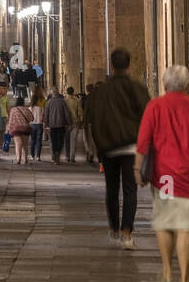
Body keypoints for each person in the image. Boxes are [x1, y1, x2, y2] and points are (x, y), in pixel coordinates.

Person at [135, 64, 189, 282]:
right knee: (185, 227)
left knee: (165, 223)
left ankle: (168, 273)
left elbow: (143, 141)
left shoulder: (156, 106)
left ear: (164, 84)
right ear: (187, 85)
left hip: (166, 177)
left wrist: (137, 168)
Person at [86, 47, 150, 249]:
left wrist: (98, 146)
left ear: (111, 65)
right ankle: (127, 232)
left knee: (112, 188)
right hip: (132, 147)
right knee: (130, 190)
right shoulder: (138, 89)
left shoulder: (100, 92)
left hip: (109, 147)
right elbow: (148, 118)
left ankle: (114, 228)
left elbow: (92, 119)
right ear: (129, 65)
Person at [44, 87, 70, 164]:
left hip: (52, 125)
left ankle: (55, 154)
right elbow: (67, 113)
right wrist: (69, 123)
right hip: (61, 124)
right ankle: (58, 152)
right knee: (60, 140)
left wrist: (46, 124)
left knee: (53, 140)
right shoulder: (62, 102)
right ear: (58, 93)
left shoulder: (48, 102)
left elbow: (46, 114)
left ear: (52, 94)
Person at [6, 97, 33, 163]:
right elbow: (31, 118)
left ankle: (18, 159)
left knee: (18, 144)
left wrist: (8, 129)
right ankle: (26, 159)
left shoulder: (13, 110)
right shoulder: (26, 109)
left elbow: (10, 120)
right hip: (25, 128)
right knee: (25, 144)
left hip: (16, 129)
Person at [64, 86, 85, 162]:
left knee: (66, 140)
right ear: (73, 92)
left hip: (66, 123)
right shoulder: (77, 100)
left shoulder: (64, 100)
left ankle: (67, 156)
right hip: (75, 122)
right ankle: (72, 157)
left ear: (67, 92)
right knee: (73, 141)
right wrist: (81, 121)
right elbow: (80, 112)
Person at [82, 83, 97, 163]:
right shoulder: (98, 98)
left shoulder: (86, 98)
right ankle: (92, 153)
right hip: (96, 121)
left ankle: (89, 152)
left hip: (89, 121)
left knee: (88, 139)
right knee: (93, 139)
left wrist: (83, 121)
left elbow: (85, 111)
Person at [29, 92, 45, 161]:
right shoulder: (41, 108)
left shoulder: (30, 108)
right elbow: (43, 116)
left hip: (32, 125)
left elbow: (29, 117)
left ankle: (32, 155)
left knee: (32, 141)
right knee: (39, 141)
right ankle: (38, 156)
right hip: (39, 125)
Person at [0, 82, 10, 154]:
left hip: (4, 117)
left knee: (2, 133)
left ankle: (0, 145)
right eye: (0, 89)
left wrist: (9, 118)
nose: (1, 90)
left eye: (2, 89)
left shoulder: (6, 97)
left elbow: (8, 108)